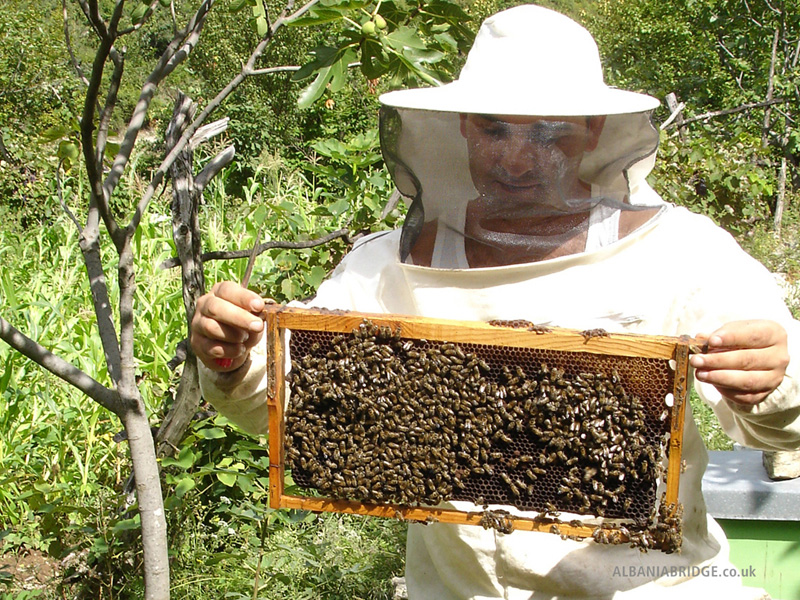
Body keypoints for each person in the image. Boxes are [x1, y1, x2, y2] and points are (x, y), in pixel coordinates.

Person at [190, 5, 800, 599]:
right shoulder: (387, 264)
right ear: (462, 126)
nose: (516, 158)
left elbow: (785, 425)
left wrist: (774, 380)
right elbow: (294, 413)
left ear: (593, 130)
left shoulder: (683, 251)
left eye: (550, 134)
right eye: (494, 129)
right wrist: (233, 359)